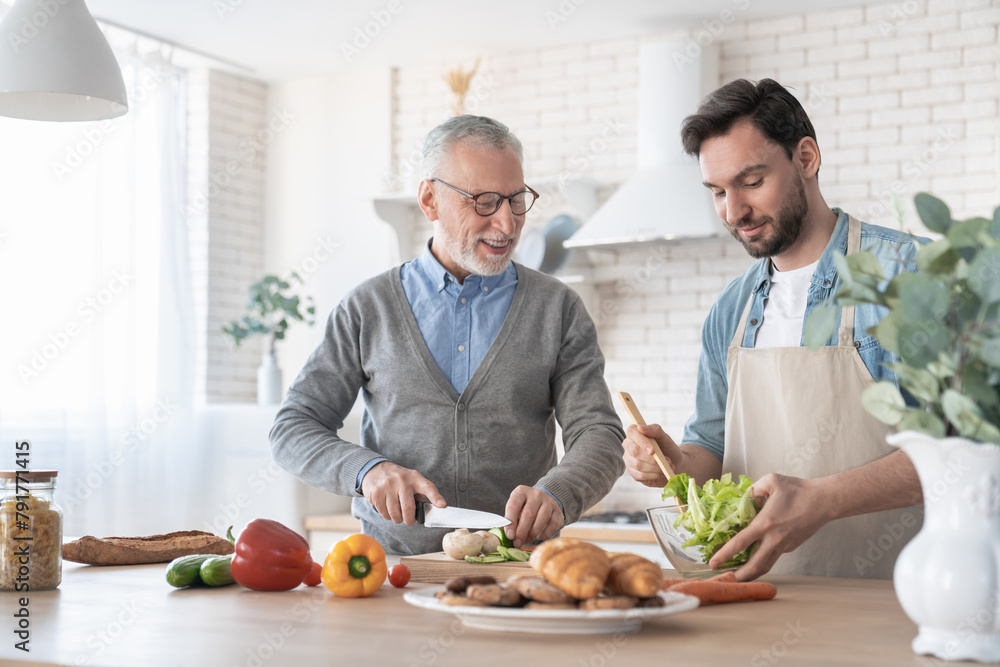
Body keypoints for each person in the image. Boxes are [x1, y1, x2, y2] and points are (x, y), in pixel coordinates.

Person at [271, 115, 625, 555]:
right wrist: (368, 471)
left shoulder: (558, 309)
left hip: (519, 567)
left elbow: (599, 433)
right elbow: (292, 428)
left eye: (517, 200)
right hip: (395, 570)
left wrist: (559, 491)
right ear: (429, 199)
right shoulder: (367, 308)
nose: (508, 224)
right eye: (485, 201)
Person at [622, 79, 926, 580]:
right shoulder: (731, 309)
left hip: (896, 603)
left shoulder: (908, 274)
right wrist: (672, 462)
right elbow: (712, 451)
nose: (733, 211)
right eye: (718, 191)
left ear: (805, 158)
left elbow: (966, 451)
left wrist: (822, 499)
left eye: (751, 181)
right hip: (761, 600)